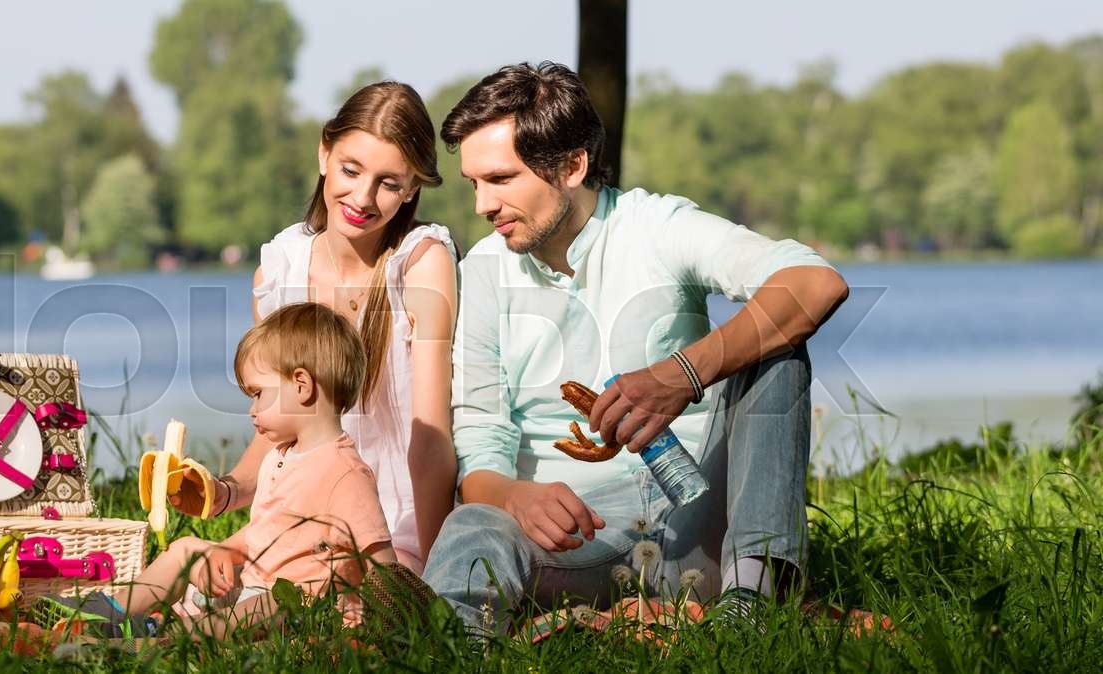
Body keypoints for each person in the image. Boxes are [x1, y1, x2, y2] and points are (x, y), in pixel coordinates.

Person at [421, 62, 851, 634]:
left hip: (697, 527)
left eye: (500, 179)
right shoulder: (481, 272)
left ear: (572, 166)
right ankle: (456, 644)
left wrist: (682, 375)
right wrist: (514, 496)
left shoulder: (655, 226)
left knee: (777, 352)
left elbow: (815, 283)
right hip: (572, 540)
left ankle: (749, 608)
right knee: (472, 523)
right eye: (474, 183)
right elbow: (480, 447)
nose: (482, 205)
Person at [172, 82, 459, 573]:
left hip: (394, 528)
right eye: (351, 169)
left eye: (389, 183)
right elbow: (284, 425)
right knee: (189, 573)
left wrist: (434, 581)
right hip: (305, 519)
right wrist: (224, 492)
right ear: (324, 153)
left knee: (301, 607)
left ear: (412, 188)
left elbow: (429, 437)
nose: (363, 197)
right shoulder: (280, 272)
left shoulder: (419, 264)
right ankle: (95, 631)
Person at [46, 303, 396, 639]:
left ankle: (167, 634)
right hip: (253, 582)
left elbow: (383, 563)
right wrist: (224, 552)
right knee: (186, 549)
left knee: (275, 603)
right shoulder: (282, 456)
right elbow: (265, 531)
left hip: (294, 608)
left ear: (302, 386)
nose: (252, 410)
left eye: (258, 394)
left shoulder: (345, 474)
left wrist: (374, 618)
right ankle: (114, 610)